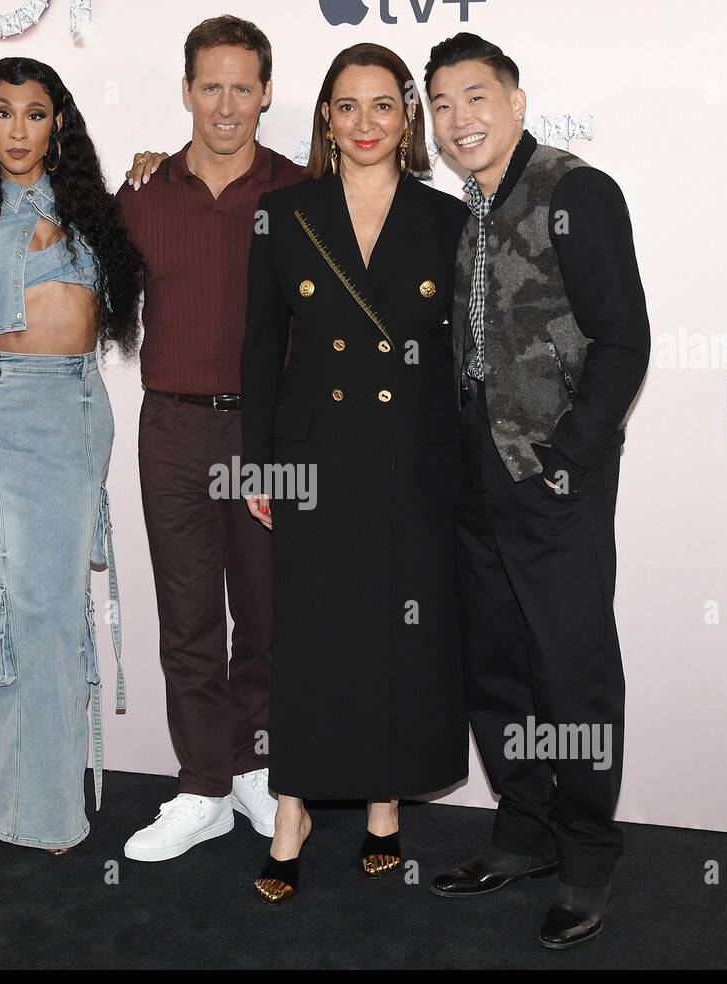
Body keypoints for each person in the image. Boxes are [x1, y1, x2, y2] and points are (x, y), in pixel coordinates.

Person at [423, 33, 649, 948]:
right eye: (441, 105)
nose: (458, 119)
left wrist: (567, 461)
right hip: (476, 477)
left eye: (474, 97)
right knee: (497, 669)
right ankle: (522, 832)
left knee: (572, 673)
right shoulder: (468, 207)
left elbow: (623, 341)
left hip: (553, 480)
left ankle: (587, 853)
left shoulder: (576, 191)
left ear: (516, 101)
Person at [238, 43, 471, 902]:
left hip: (414, 458)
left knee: (400, 634)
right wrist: (258, 461)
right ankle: (292, 808)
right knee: (309, 630)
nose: (365, 123)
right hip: (315, 454)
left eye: (383, 106)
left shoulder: (448, 219)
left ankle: (383, 806)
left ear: (407, 117)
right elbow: (262, 345)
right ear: (324, 120)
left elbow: (463, 357)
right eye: (347, 106)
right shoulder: (282, 211)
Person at [0, 57, 143, 854]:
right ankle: (22, 809)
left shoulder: (96, 213)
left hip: (78, 416)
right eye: (2, 112)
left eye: (34, 113)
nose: (17, 129)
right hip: (1, 418)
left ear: (58, 125)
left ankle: (47, 802)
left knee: (60, 614)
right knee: (18, 612)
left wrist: (149, 173)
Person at [111, 16, 305, 862]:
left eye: (242, 87)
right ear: (186, 91)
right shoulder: (141, 199)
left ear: (266, 93)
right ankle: (201, 787)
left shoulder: (304, 193)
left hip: (269, 433)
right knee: (188, 618)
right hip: (175, 429)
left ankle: (256, 768)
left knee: (265, 615)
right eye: (210, 86)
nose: (226, 105)